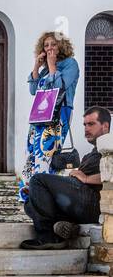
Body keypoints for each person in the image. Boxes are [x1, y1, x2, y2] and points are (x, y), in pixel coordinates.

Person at [21, 106, 108, 249]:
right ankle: (62, 226)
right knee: (31, 202)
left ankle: (47, 237)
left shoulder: (110, 149)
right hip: (79, 200)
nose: (86, 129)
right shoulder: (90, 154)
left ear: (105, 126)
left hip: (92, 202)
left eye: (91, 124)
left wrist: (86, 179)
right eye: (85, 125)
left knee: (38, 180)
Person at [19, 31, 80, 203]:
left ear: (61, 45)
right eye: (46, 45)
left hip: (59, 114)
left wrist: (53, 66)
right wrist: (36, 68)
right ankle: (29, 191)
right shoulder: (45, 66)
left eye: (53, 44)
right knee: (32, 152)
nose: (50, 48)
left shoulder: (70, 64)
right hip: (39, 115)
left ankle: (44, 192)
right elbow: (33, 90)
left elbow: (60, 87)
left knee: (48, 152)